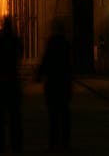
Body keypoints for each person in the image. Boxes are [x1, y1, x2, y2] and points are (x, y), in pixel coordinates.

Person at [0, 16, 23, 153]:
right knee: (15, 116)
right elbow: (20, 53)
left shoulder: (1, 40)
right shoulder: (16, 40)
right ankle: (16, 145)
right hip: (13, 80)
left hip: (2, 81)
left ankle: (0, 145)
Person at [37, 20, 72, 151]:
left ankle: (53, 142)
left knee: (53, 115)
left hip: (53, 84)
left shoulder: (51, 44)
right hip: (63, 83)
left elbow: (45, 61)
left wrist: (39, 75)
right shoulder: (66, 45)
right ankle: (65, 141)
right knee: (64, 113)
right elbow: (69, 64)